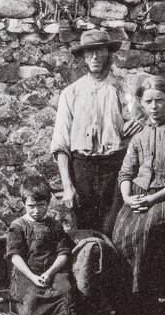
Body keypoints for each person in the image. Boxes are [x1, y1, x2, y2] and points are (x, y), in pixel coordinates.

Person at [111, 75, 165, 315]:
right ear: (142, 104)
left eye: (159, 100)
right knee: (119, 233)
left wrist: (152, 199)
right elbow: (126, 172)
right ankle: (129, 302)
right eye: (148, 102)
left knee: (145, 232)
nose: (154, 106)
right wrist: (128, 198)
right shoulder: (138, 137)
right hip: (138, 196)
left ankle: (148, 302)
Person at [50, 28, 141, 235]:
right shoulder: (70, 94)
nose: (94, 56)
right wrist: (67, 187)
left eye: (99, 50)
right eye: (89, 52)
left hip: (115, 167)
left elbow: (138, 126)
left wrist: (135, 126)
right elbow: (61, 144)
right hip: (82, 169)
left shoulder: (122, 90)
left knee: (115, 228)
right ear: (83, 56)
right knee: (84, 231)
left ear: (108, 53)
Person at [6, 174, 88, 315]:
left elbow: (63, 253)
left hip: (52, 270)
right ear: (24, 204)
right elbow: (15, 256)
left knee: (65, 289)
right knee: (30, 300)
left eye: (41, 205)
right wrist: (33, 276)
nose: (36, 211)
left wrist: (50, 272)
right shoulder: (18, 227)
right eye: (31, 206)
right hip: (27, 273)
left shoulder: (54, 225)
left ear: (48, 203)